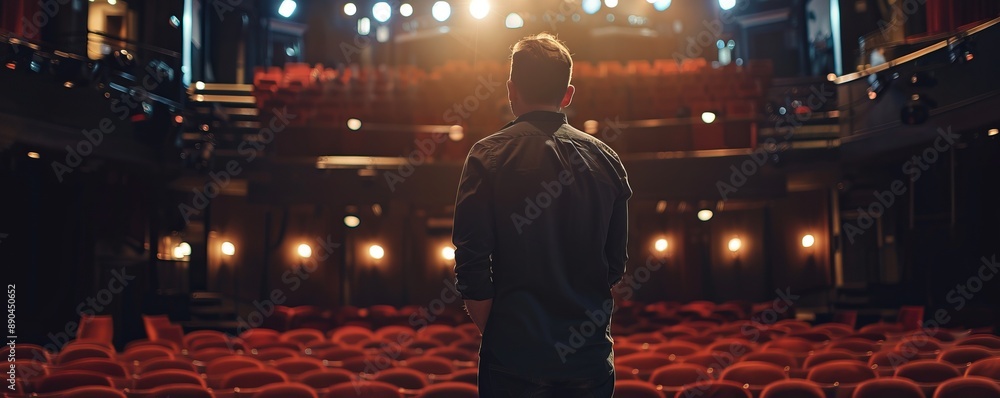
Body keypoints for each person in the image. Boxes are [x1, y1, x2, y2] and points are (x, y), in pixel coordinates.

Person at [452, 33, 632, 398]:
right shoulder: (607, 159)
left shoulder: (486, 155)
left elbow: (471, 266)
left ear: (510, 90)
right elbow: (614, 266)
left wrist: (504, 334)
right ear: (568, 94)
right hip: (588, 363)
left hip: (513, 363)